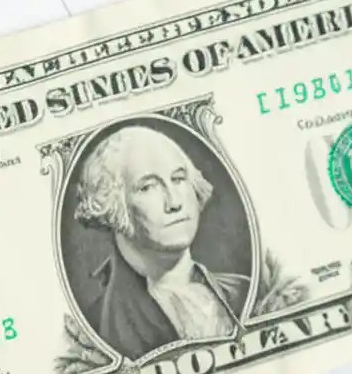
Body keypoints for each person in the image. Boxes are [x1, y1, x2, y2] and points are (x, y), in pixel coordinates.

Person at [72, 123, 250, 361]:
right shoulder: (95, 332)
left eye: (178, 179)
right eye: (148, 187)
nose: (174, 202)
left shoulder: (245, 292)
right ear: (112, 205)